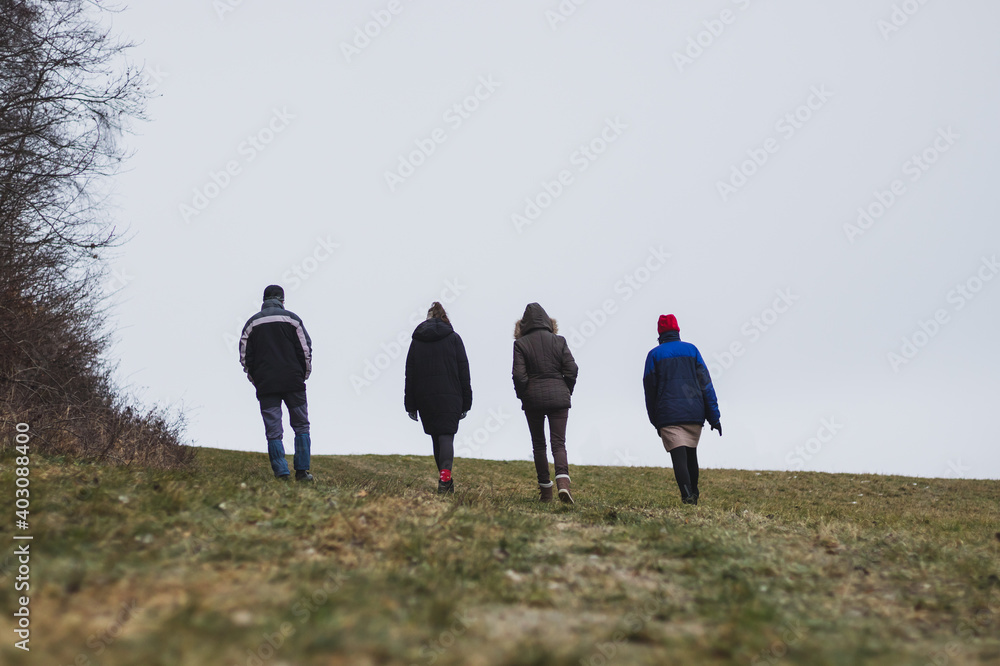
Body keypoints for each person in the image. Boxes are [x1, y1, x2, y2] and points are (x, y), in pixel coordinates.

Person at [643, 314, 721, 505]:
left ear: (660, 333)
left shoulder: (654, 355)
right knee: (691, 454)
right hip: (694, 412)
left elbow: (649, 391)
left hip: (668, 414)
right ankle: (694, 494)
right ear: (677, 331)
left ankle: (688, 497)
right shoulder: (692, 350)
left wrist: (655, 420)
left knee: (679, 457)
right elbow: (706, 385)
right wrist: (714, 417)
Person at [239, 285, 314, 481]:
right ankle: (302, 472)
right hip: (293, 382)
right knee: (301, 426)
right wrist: (304, 374)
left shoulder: (251, 323)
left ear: (264, 300)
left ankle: (281, 474)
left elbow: (245, 358)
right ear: (282, 300)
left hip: (266, 385)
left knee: (273, 430)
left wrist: (256, 380)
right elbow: (305, 350)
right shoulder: (293, 319)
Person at [512, 303, 579, 504]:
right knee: (559, 444)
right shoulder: (559, 341)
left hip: (533, 399)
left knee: (539, 445)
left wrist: (523, 394)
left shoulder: (521, 344)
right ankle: (563, 485)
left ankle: (546, 493)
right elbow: (572, 369)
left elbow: (519, 375)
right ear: (548, 322)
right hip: (559, 397)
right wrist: (566, 389)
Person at [404, 302, 472, 494]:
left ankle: (445, 481)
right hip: (451, 396)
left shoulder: (417, 342)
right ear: (445, 318)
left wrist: (411, 404)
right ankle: (444, 479)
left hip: (425, 397)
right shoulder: (454, 339)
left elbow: (410, 374)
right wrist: (467, 401)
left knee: (436, 437)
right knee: (446, 437)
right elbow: (464, 372)